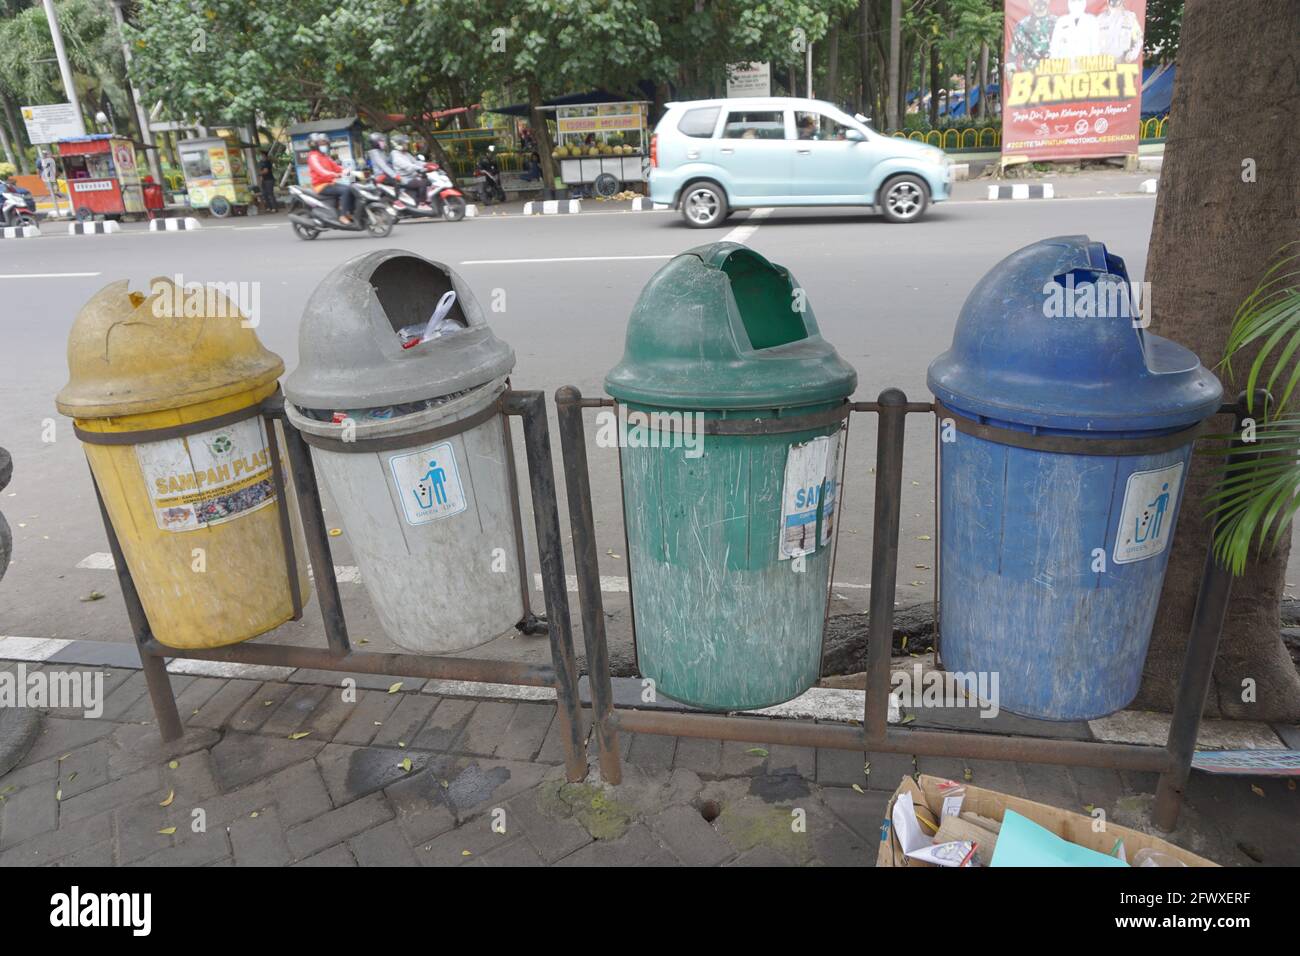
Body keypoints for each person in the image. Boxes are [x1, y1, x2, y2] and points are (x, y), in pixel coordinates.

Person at [305, 132, 353, 223]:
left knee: (351, 188)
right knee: (345, 190)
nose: (324, 145)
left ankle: (347, 211)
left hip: (330, 183)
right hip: (320, 186)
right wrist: (336, 175)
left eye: (325, 144)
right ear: (316, 145)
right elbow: (321, 171)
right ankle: (342, 216)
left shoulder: (325, 156)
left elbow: (337, 167)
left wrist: (351, 172)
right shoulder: (313, 156)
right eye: (322, 144)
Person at [1009, 0, 1055, 74]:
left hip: (1054, 78)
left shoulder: (1059, 24)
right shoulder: (1022, 26)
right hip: (1029, 79)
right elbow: (1011, 58)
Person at [389, 133, 431, 209]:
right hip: (404, 179)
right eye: (405, 144)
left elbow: (415, 162)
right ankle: (422, 204)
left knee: (428, 180)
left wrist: (427, 164)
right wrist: (420, 168)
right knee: (422, 183)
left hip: (412, 176)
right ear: (398, 144)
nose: (406, 145)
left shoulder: (406, 153)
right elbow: (408, 166)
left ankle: (426, 199)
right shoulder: (396, 156)